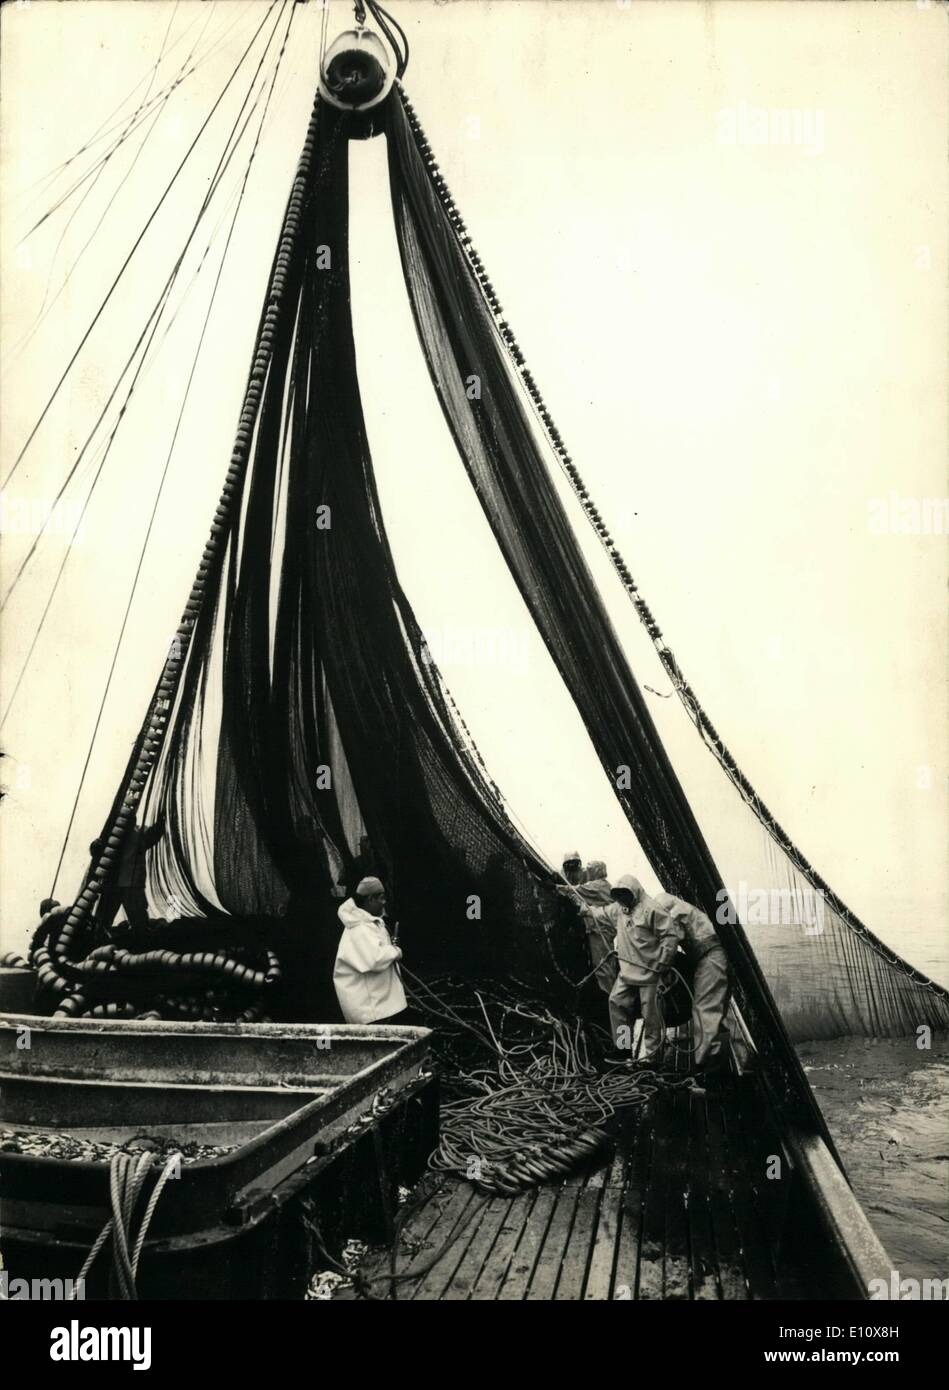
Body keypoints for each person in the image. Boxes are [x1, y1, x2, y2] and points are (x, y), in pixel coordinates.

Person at [585, 875, 681, 1066]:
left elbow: (669, 936)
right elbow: (599, 913)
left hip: (650, 974)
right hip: (627, 972)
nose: (622, 899)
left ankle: (652, 1059)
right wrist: (580, 906)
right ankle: (623, 1048)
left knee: (651, 1017)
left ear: (634, 891)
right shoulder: (619, 910)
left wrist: (662, 963)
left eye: (625, 894)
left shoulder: (652, 909)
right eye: (618, 895)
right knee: (616, 1002)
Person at [655, 891, 730, 1072]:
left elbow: (671, 941)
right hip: (710, 955)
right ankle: (713, 1066)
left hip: (711, 956)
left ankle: (706, 1070)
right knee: (712, 1011)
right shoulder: (683, 908)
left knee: (705, 1010)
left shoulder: (672, 913)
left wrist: (661, 966)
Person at [333, 875, 409, 1024]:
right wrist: (396, 951)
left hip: (378, 1008)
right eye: (381, 898)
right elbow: (375, 959)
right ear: (370, 900)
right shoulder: (360, 929)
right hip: (371, 1011)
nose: (384, 902)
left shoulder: (368, 924)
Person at [575, 860, 618, 994]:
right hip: (607, 931)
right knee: (609, 966)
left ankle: (609, 999)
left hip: (599, 931)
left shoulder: (596, 886)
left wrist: (555, 886)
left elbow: (575, 890)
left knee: (602, 967)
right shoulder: (607, 886)